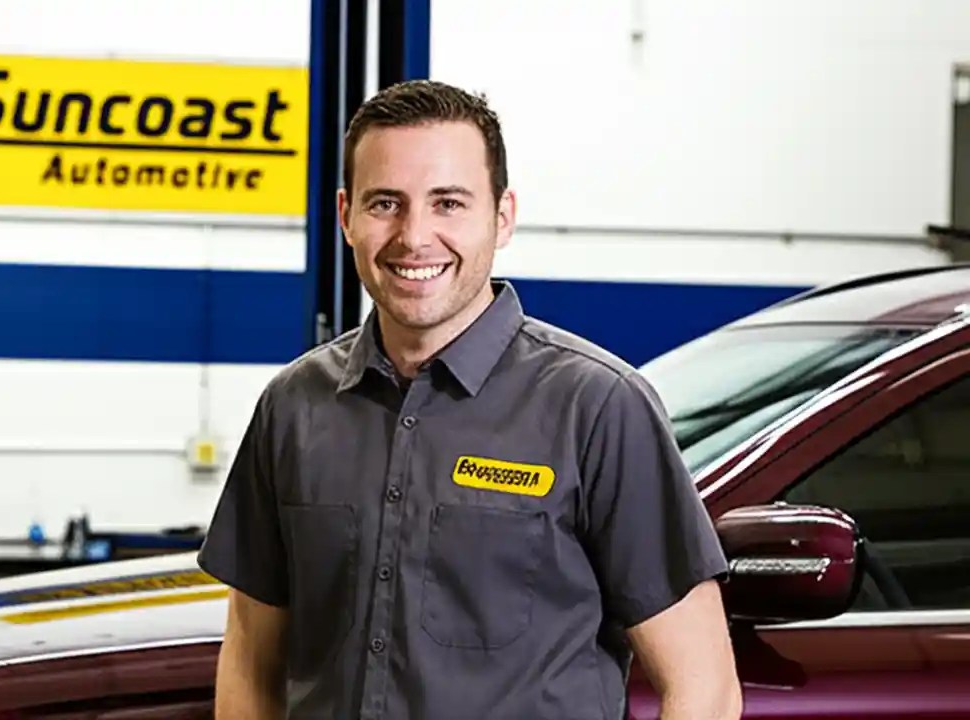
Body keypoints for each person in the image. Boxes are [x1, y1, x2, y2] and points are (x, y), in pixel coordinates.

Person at [196, 79, 742, 720]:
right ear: (345, 216)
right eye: (385, 204)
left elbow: (703, 688)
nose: (414, 236)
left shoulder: (596, 408)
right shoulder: (293, 408)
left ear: (502, 216)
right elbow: (251, 659)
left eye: (448, 203)